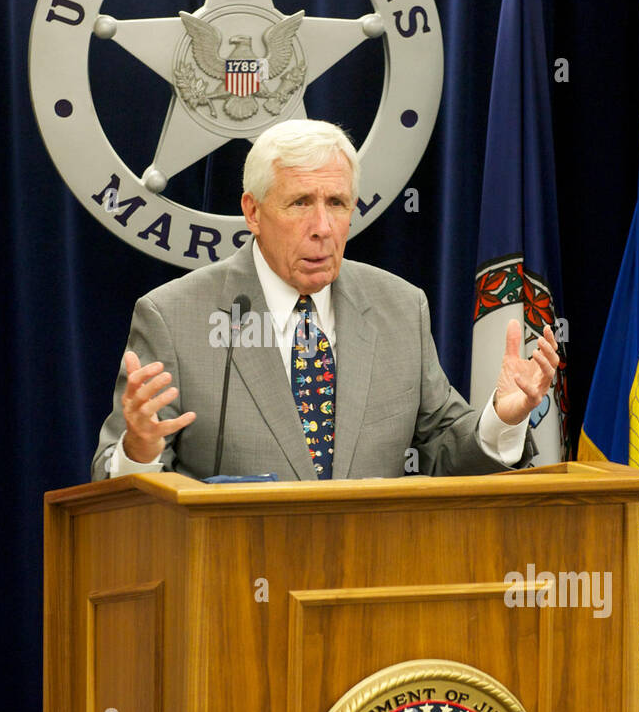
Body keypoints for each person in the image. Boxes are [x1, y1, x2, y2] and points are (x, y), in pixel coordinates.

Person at [91, 119, 559, 481]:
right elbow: (112, 478)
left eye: (336, 203)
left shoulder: (399, 307)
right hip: (231, 585)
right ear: (252, 212)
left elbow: (443, 448)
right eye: (299, 203)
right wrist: (141, 451)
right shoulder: (175, 317)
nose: (323, 227)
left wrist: (502, 418)